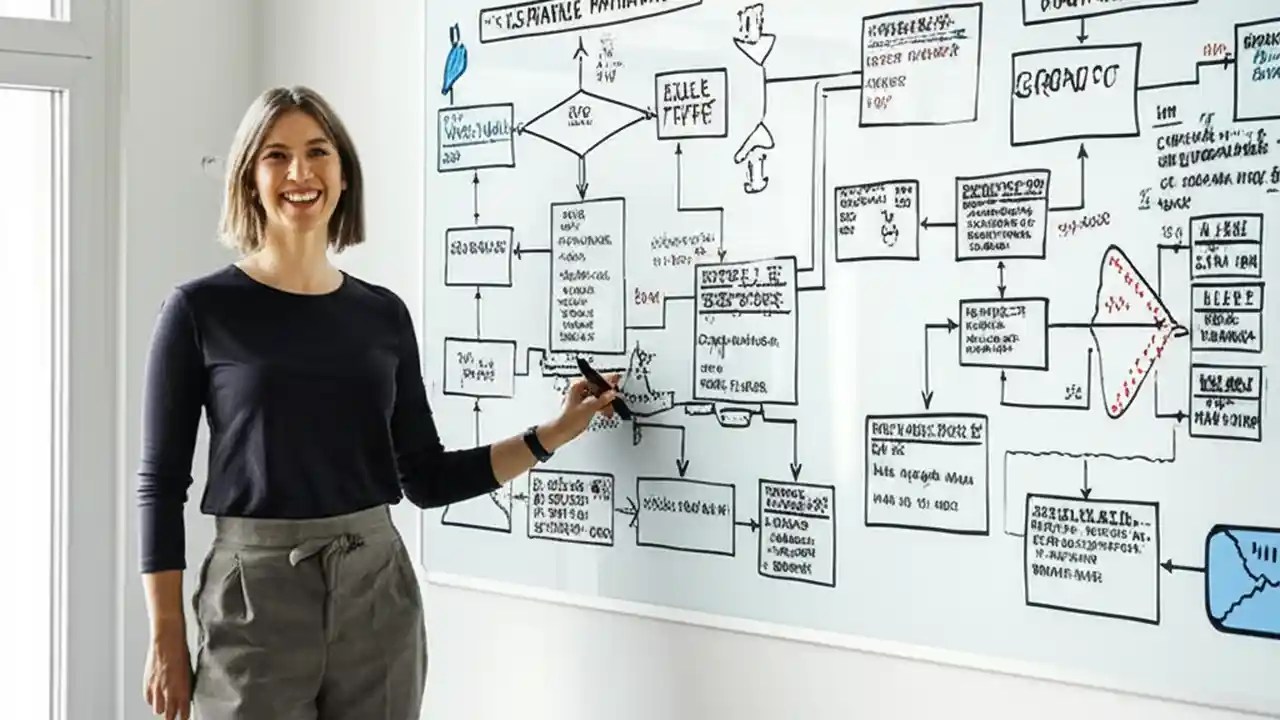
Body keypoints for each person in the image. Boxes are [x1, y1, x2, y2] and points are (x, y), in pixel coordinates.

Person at [137, 85, 621, 720]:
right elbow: (160, 483)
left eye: (318, 152)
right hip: (254, 598)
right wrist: (166, 634)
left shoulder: (382, 315)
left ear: (343, 175)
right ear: (249, 177)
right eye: (276, 156)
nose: (300, 173)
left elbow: (424, 476)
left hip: (377, 593)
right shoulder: (199, 310)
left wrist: (552, 433)